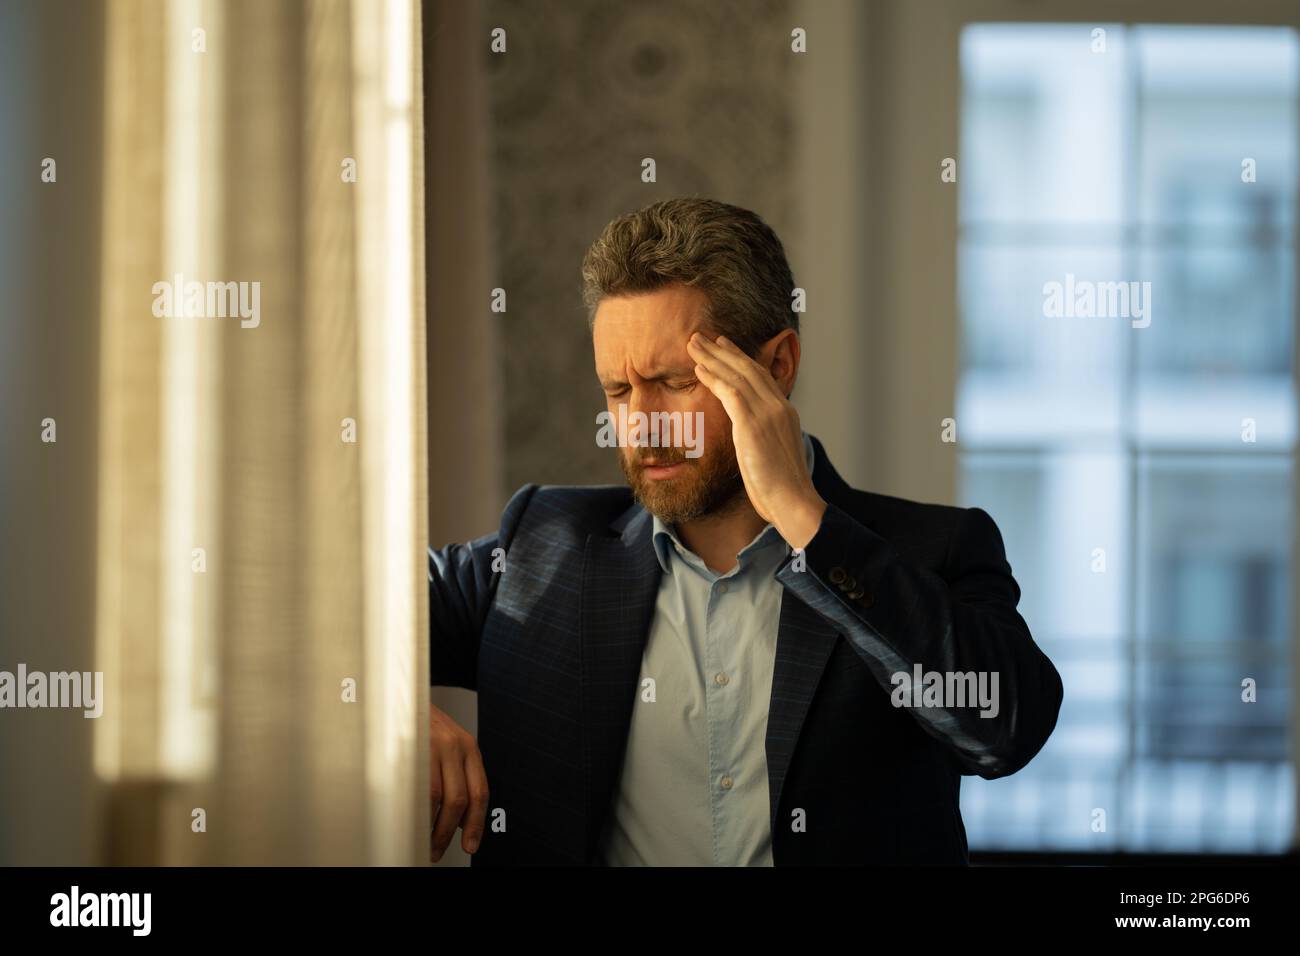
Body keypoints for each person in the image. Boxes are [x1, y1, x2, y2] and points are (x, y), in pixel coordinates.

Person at [428, 197, 1063, 865]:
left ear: (778, 366)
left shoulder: (936, 552)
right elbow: (328, 603)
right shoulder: (538, 550)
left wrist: (807, 523)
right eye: (618, 390)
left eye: (675, 382)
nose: (643, 423)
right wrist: (395, 716)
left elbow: (1005, 729)